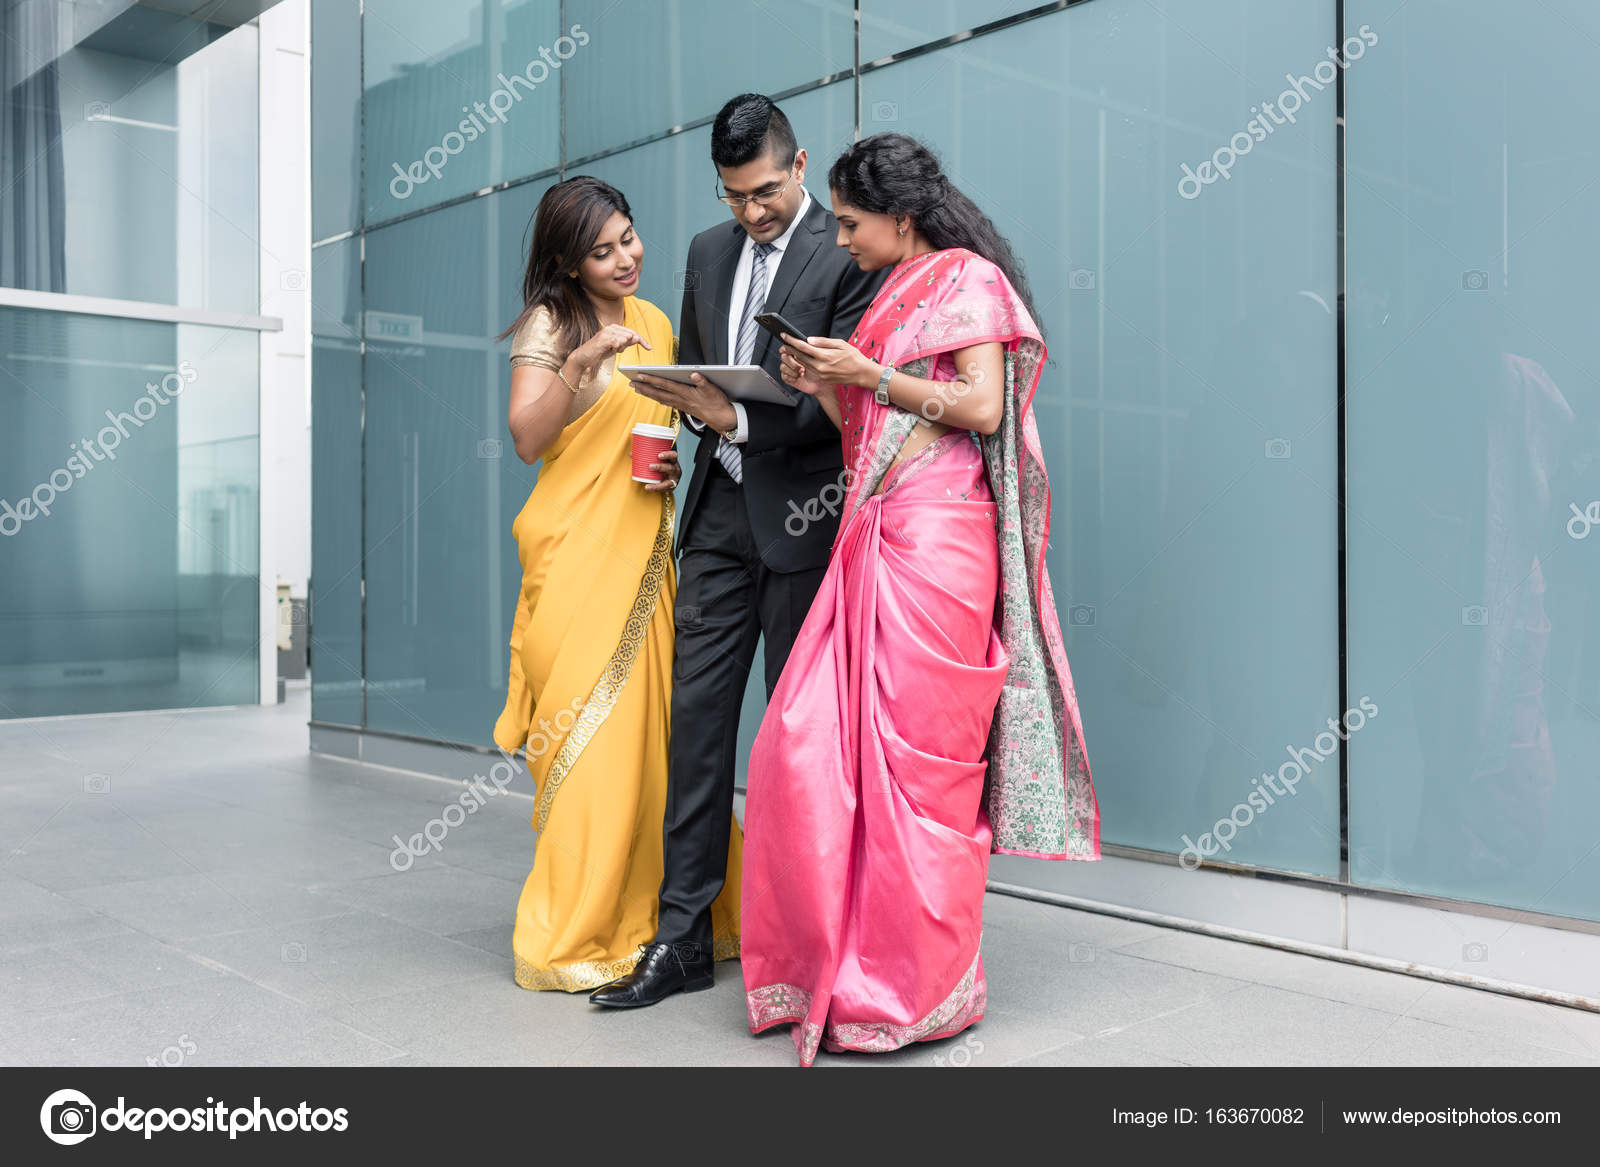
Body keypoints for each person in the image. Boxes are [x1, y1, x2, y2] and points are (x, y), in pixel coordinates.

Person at [739, 133, 1100, 1066]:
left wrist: (867, 376)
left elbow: (979, 407)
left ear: (900, 218)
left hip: (940, 543)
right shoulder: (892, 290)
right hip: (876, 530)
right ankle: (845, 966)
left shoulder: (969, 282)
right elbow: (870, 420)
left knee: (921, 769)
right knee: (810, 749)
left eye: (852, 223)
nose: (842, 238)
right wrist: (826, 385)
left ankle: (919, 989)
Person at [590, 94, 885, 1008]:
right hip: (716, 519)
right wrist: (686, 403)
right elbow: (699, 368)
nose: (750, 212)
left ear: (799, 167)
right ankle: (681, 937)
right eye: (732, 196)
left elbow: (848, 404)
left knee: (801, 744)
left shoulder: (844, 250)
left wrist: (739, 416)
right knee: (698, 729)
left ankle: (813, 940)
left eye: (763, 191)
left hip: (805, 518)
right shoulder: (706, 253)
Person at [493, 176, 743, 992]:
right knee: (587, 742)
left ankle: (660, 923)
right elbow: (529, 438)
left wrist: (668, 459)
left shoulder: (659, 323)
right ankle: (581, 927)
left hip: (643, 555)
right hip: (574, 559)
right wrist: (578, 364)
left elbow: (657, 429)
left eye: (629, 239)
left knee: (650, 749)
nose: (626, 259)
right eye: (602, 252)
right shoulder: (551, 323)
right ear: (568, 264)